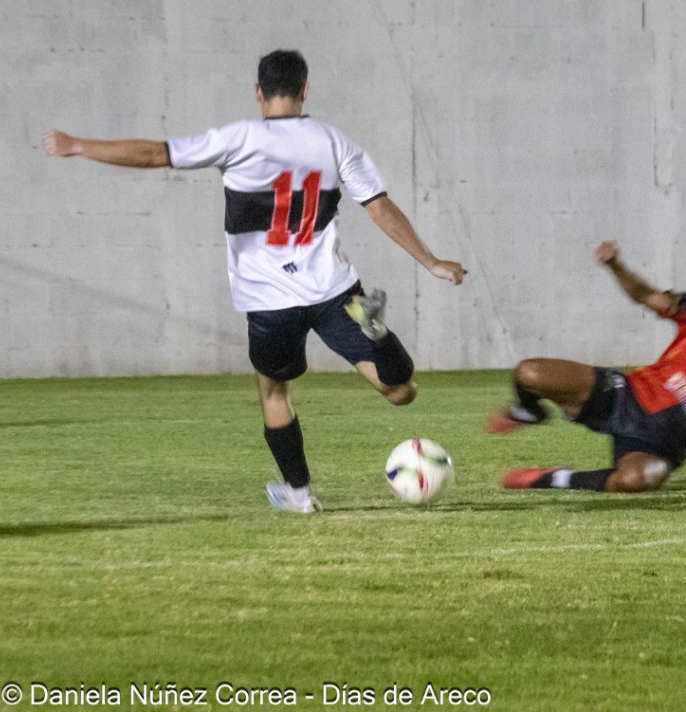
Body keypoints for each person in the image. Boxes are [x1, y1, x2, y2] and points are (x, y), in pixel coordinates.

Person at [43, 49, 467, 512]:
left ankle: (299, 495)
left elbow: (151, 155)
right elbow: (379, 206)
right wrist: (430, 262)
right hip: (336, 290)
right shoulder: (334, 142)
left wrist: (78, 145)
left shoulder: (238, 138)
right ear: (305, 90)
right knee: (401, 392)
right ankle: (377, 331)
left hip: (270, 301)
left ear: (259, 92)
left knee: (274, 392)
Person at [489, 241, 686, 492]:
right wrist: (616, 265)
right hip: (624, 396)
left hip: (659, 444)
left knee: (638, 479)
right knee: (529, 372)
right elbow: (646, 295)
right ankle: (531, 413)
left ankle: (550, 479)